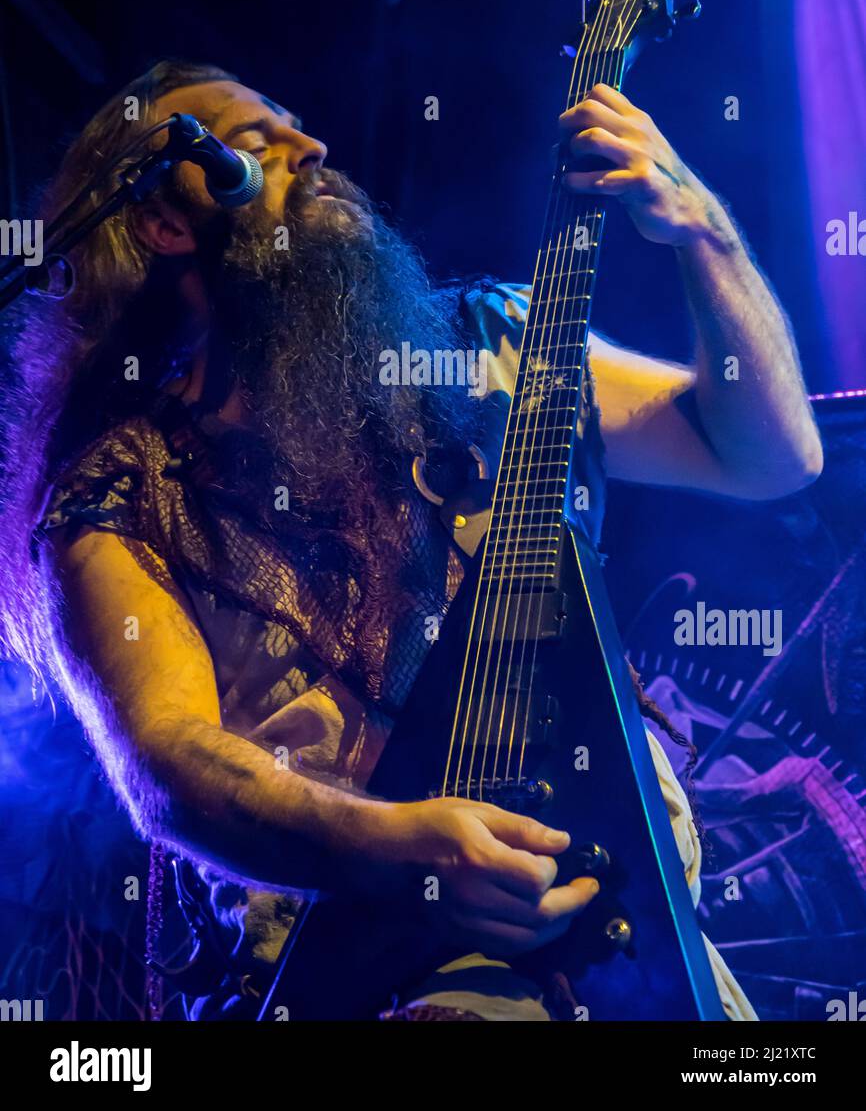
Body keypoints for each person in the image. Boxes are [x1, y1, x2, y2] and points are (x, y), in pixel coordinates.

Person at [0, 60, 822, 1021]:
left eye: (299, 128)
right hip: (352, 978)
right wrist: (401, 847)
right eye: (257, 147)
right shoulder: (121, 486)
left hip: (637, 957)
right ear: (168, 223)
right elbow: (167, 758)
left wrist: (703, 231)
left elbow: (771, 455)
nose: (310, 151)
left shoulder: (488, 342)